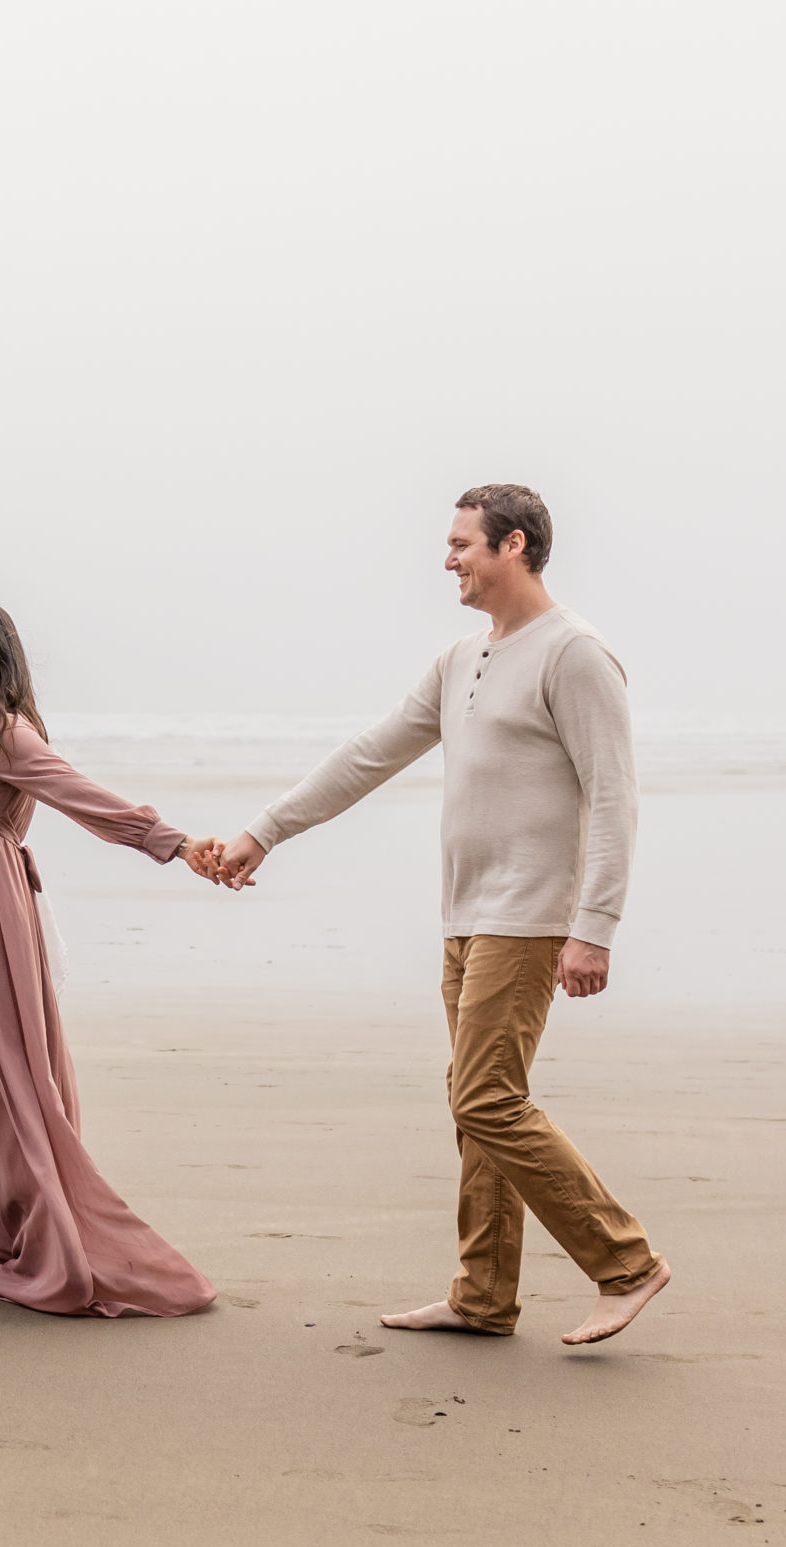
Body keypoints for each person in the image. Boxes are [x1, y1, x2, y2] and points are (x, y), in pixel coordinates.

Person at [197, 485, 670, 1346]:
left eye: (461, 544)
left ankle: (625, 1261)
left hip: (530, 916)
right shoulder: (461, 659)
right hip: (464, 914)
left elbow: (615, 797)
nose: (447, 558)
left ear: (513, 545)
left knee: (485, 1096)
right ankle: (483, 1295)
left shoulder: (575, 654)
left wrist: (594, 926)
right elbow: (369, 755)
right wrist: (265, 831)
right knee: (478, 1105)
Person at [0, 600, 220, 1317]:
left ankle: (46, 1239)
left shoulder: (7, 733)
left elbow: (83, 798)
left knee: (1, 1080)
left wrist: (177, 845)